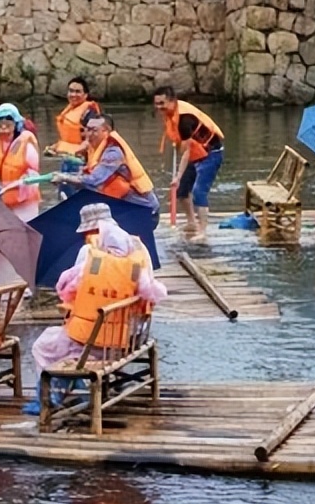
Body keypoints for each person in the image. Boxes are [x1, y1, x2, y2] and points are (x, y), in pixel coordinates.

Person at [25, 204, 166, 415]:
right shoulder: (139, 249)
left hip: (98, 341)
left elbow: (67, 288)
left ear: (95, 230)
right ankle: (77, 388)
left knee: (44, 346)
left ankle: (55, 396)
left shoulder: (90, 253)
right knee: (64, 339)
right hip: (133, 335)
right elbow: (150, 291)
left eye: (87, 233)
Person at [53, 113, 160, 224]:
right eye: (87, 130)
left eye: (94, 130)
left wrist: (64, 177)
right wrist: (68, 180)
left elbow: (94, 180)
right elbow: (87, 179)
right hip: (123, 208)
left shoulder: (113, 153)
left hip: (144, 211)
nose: (89, 134)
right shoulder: (94, 150)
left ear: (106, 131)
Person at [153, 87, 225, 242]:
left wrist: (178, 176)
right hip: (196, 153)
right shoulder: (171, 113)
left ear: (172, 101)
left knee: (199, 192)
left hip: (211, 154)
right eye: (156, 104)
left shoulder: (185, 119)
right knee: (182, 192)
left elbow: (185, 152)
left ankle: (203, 231)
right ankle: (192, 222)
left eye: (162, 103)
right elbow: (183, 146)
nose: (159, 108)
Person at [0, 102, 42, 221]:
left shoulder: (26, 143)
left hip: (24, 204)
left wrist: (20, 184)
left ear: (16, 122)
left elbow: (34, 173)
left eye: (9, 118)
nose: (4, 122)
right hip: (0, 201)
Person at [47, 76, 101, 157]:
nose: (73, 95)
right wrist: (54, 147)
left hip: (84, 158)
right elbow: (67, 140)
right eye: (71, 91)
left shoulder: (90, 112)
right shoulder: (68, 110)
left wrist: (74, 152)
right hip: (68, 156)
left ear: (85, 95)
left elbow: (93, 140)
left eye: (78, 92)